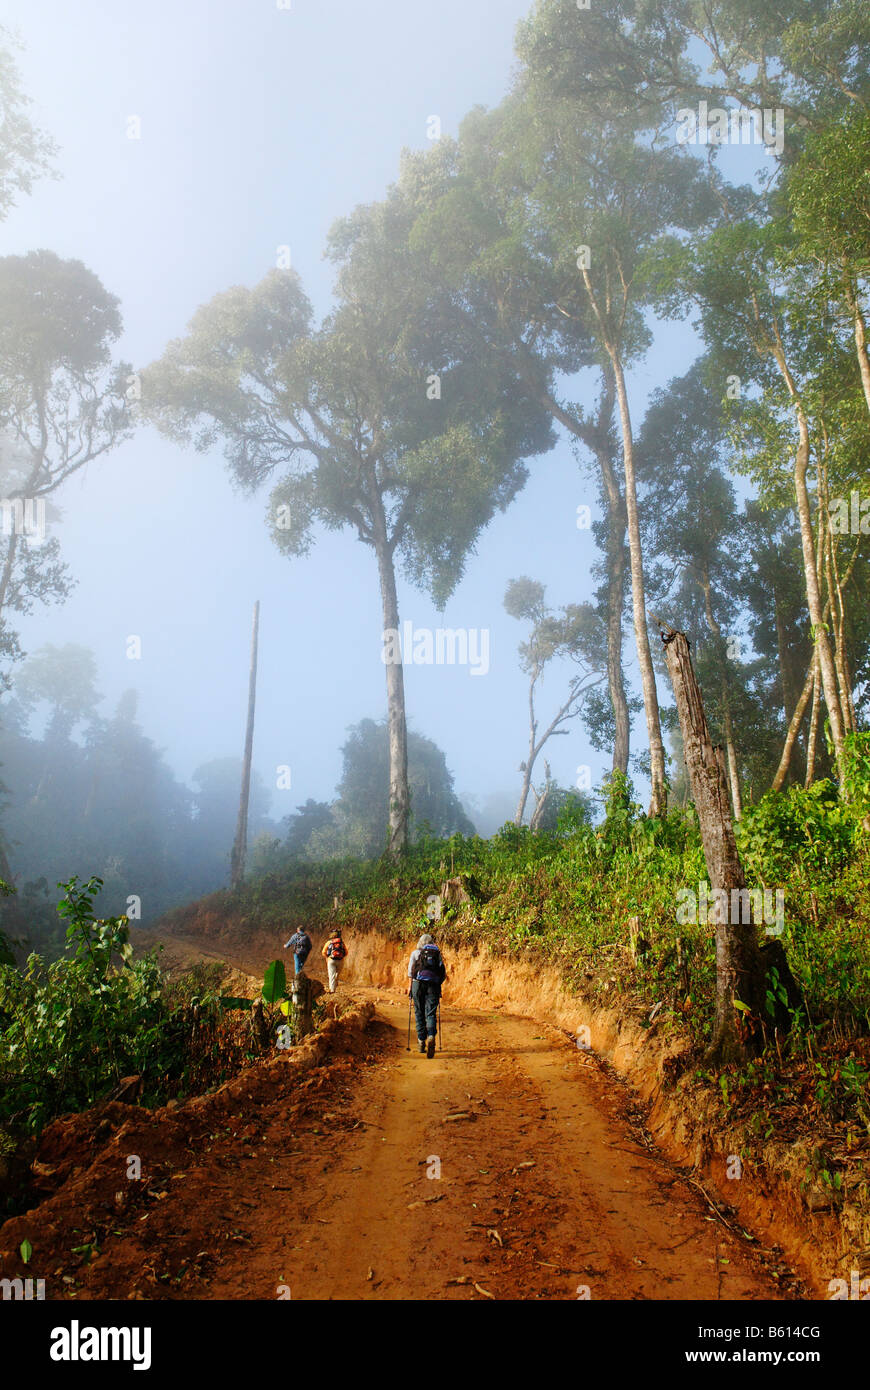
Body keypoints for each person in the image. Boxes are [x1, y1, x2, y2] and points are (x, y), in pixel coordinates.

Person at [408, 931, 446, 1058]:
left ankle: (421, 1042)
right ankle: (431, 1036)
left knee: (419, 1012)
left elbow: (411, 973)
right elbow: (442, 972)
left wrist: (410, 989)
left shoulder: (415, 953)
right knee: (430, 1012)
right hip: (433, 986)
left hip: (417, 984)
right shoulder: (437, 954)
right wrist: (438, 986)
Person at [322, 927, 348, 993]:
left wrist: (327, 958)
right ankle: (336, 979)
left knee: (331, 976)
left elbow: (323, 952)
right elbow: (346, 952)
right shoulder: (342, 942)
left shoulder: (329, 942)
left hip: (331, 961)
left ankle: (332, 991)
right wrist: (341, 957)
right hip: (340, 961)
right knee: (336, 975)